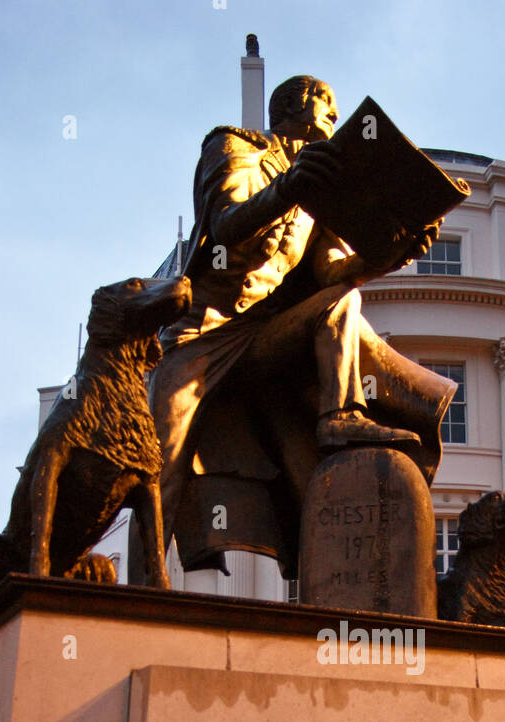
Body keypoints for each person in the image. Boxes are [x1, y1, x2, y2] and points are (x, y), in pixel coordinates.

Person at [142, 74, 454, 581]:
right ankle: (144, 588)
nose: (334, 117)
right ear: (294, 103)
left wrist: (390, 254)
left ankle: (340, 414)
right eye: (326, 105)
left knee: (342, 300)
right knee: (164, 460)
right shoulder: (236, 146)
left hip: (263, 337)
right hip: (202, 331)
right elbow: (224, 225)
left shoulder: (326, 181)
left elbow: (333, 271)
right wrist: (291, 185)